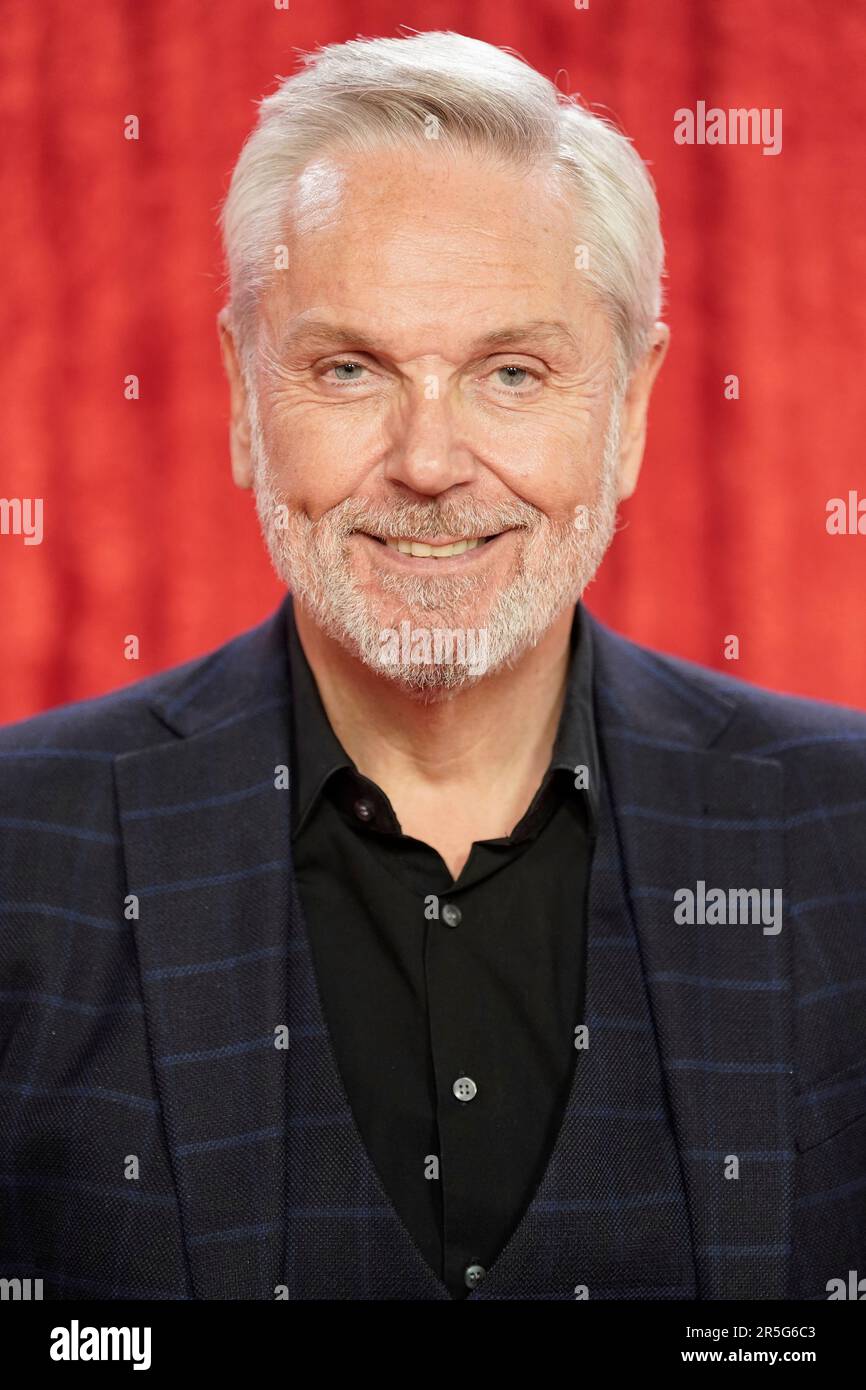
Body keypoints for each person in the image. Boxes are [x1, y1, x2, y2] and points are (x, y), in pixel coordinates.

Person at [1, 31, 864, 1302]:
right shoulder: (22, 846)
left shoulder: (840, 827)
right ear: (244, 400)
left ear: (626, 411)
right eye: (346, 369)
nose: (426, 462)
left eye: (511, 372)